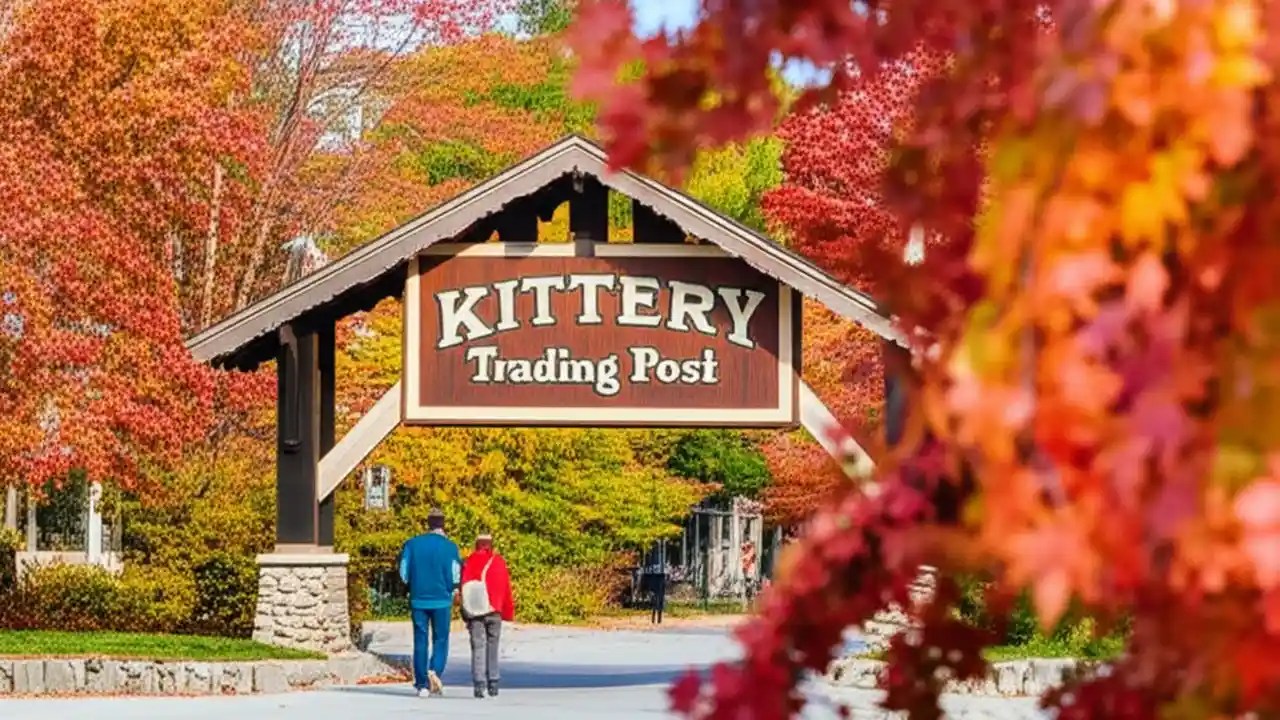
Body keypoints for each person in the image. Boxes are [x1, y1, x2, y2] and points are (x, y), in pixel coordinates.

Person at [398, 508, 461, 698]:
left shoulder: (412, 544)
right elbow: (455, 573)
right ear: (443, 524)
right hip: (442, 600)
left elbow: (403, 572)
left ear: (428, 523)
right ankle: (435, 669)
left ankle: (422, 684)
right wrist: (453, 589)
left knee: (420, 640)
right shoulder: (450, 547)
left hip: (419, 600)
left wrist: (412, 585)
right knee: (441, 639)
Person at [459, 533, 514, 699]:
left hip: (475, 611)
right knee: (493, 645)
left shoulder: (468, 562)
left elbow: (463, 588)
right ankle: (494, 682)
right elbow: (506, 589)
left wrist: (465, 613)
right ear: (491, 545)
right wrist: (507, 612)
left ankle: (479, 683)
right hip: (494, 610)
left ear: (477, 544)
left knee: (478, 646)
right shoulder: (498, 562)